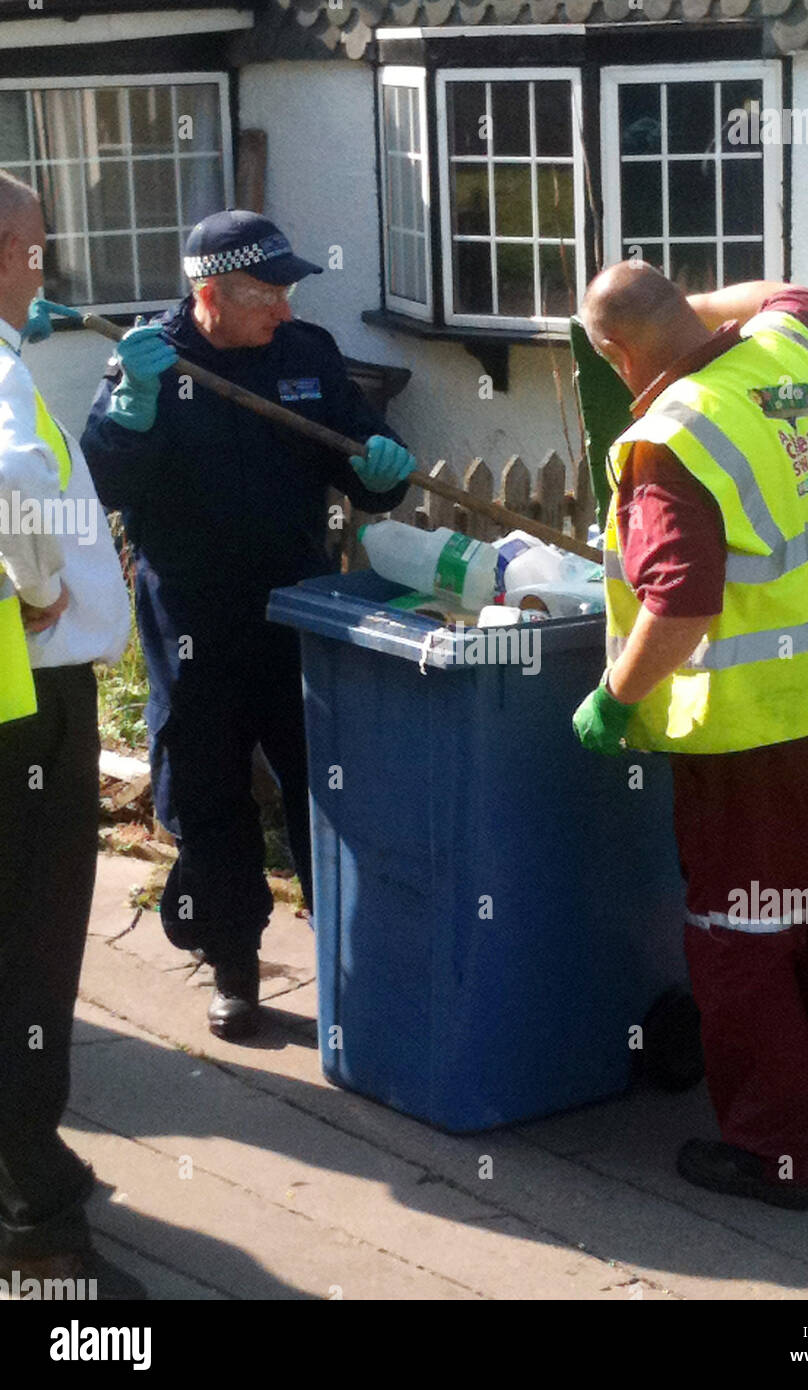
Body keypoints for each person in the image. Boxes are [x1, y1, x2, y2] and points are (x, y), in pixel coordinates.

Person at [573, 260, 808, 1208]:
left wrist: (617, 696)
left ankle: (772, 1152)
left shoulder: (668, 441)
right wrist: (678, 315)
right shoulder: (785, 351)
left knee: (742, 933)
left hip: (756, 739)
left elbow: (678, 606)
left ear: (611, 351)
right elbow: (786, 287)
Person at [81, 210, 415, 1042]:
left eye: (288, 288)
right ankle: (234, 967)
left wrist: (381, 464)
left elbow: (358, 460)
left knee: (324, 786)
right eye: (268, 292)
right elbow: (107, 485)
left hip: (297, 605)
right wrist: (132, 410)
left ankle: (352, 959)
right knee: (209, 791)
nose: (284, 307)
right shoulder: (148, 362)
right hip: (191, 616)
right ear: (209, 296)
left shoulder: (306, 354)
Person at [0, 171, 139, 1295]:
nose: (46, 272)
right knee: (28, 959)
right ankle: (36, 1231)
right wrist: (35, 583)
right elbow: (11, 477)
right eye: (37, 250)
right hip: (21, 714)